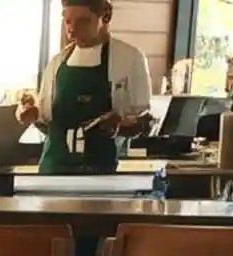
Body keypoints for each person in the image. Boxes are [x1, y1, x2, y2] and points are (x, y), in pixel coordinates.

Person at [17, 0, 153, 175]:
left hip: (102, 173)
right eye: (67, 22)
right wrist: (31, 115)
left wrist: (120, 124)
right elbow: (46, 121)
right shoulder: (57, 62)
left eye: (82, 21)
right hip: (53, 171)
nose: (72, 29)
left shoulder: (130, 59)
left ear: (105, 16)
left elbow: (144, 122)